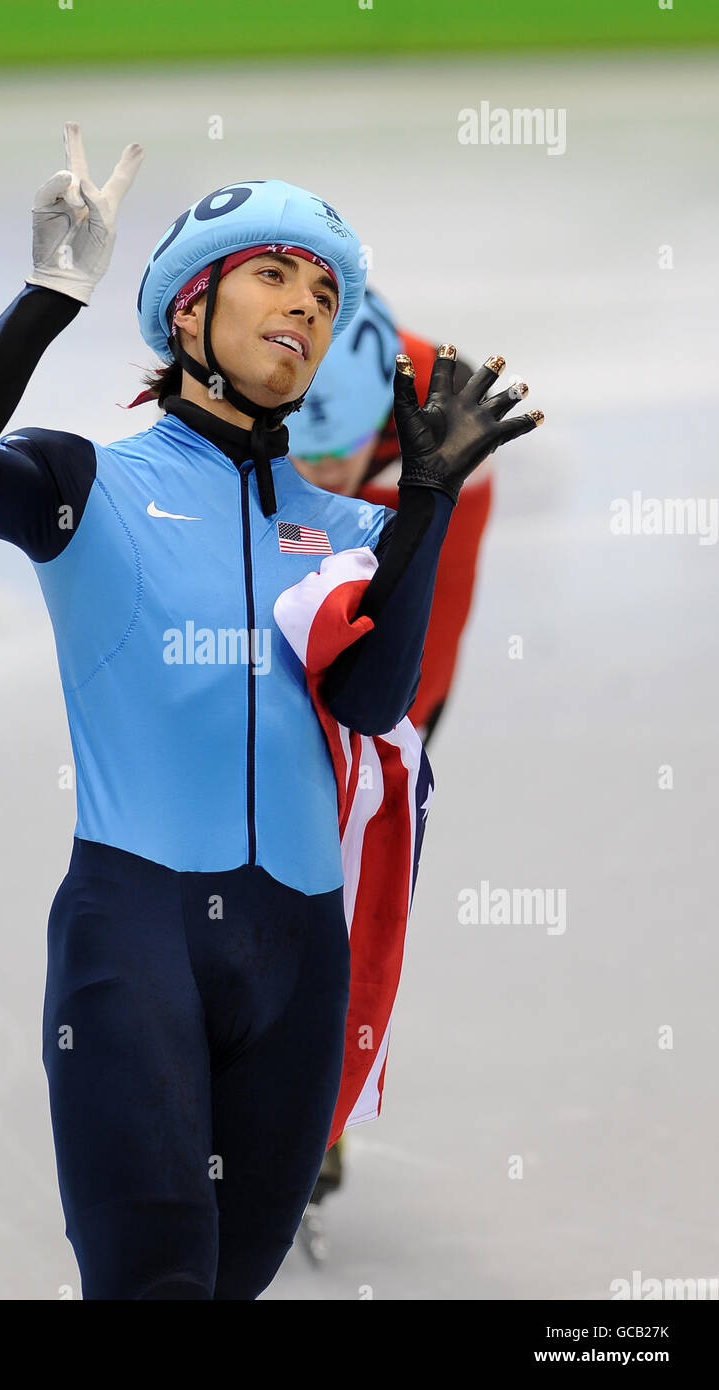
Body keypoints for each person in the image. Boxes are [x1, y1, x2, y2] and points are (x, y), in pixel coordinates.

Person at [0, 122, 541, 1300]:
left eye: (325, 289)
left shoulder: (345, 532)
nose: (305, 302)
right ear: (188, 313)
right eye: (271, 273)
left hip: (298, 960)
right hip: (133, 939)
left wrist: (425, 507)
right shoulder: (90, 488)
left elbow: (373, 696)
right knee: (152, 1284)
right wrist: (46, 296)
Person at [286, 287, 510, 1222]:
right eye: (307, 452)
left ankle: (315, 1110)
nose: (323, 475)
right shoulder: (266, 363)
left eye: (336, 456)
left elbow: (427, 650)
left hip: (390, 696)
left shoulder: (453, 426)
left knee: (327, 890)